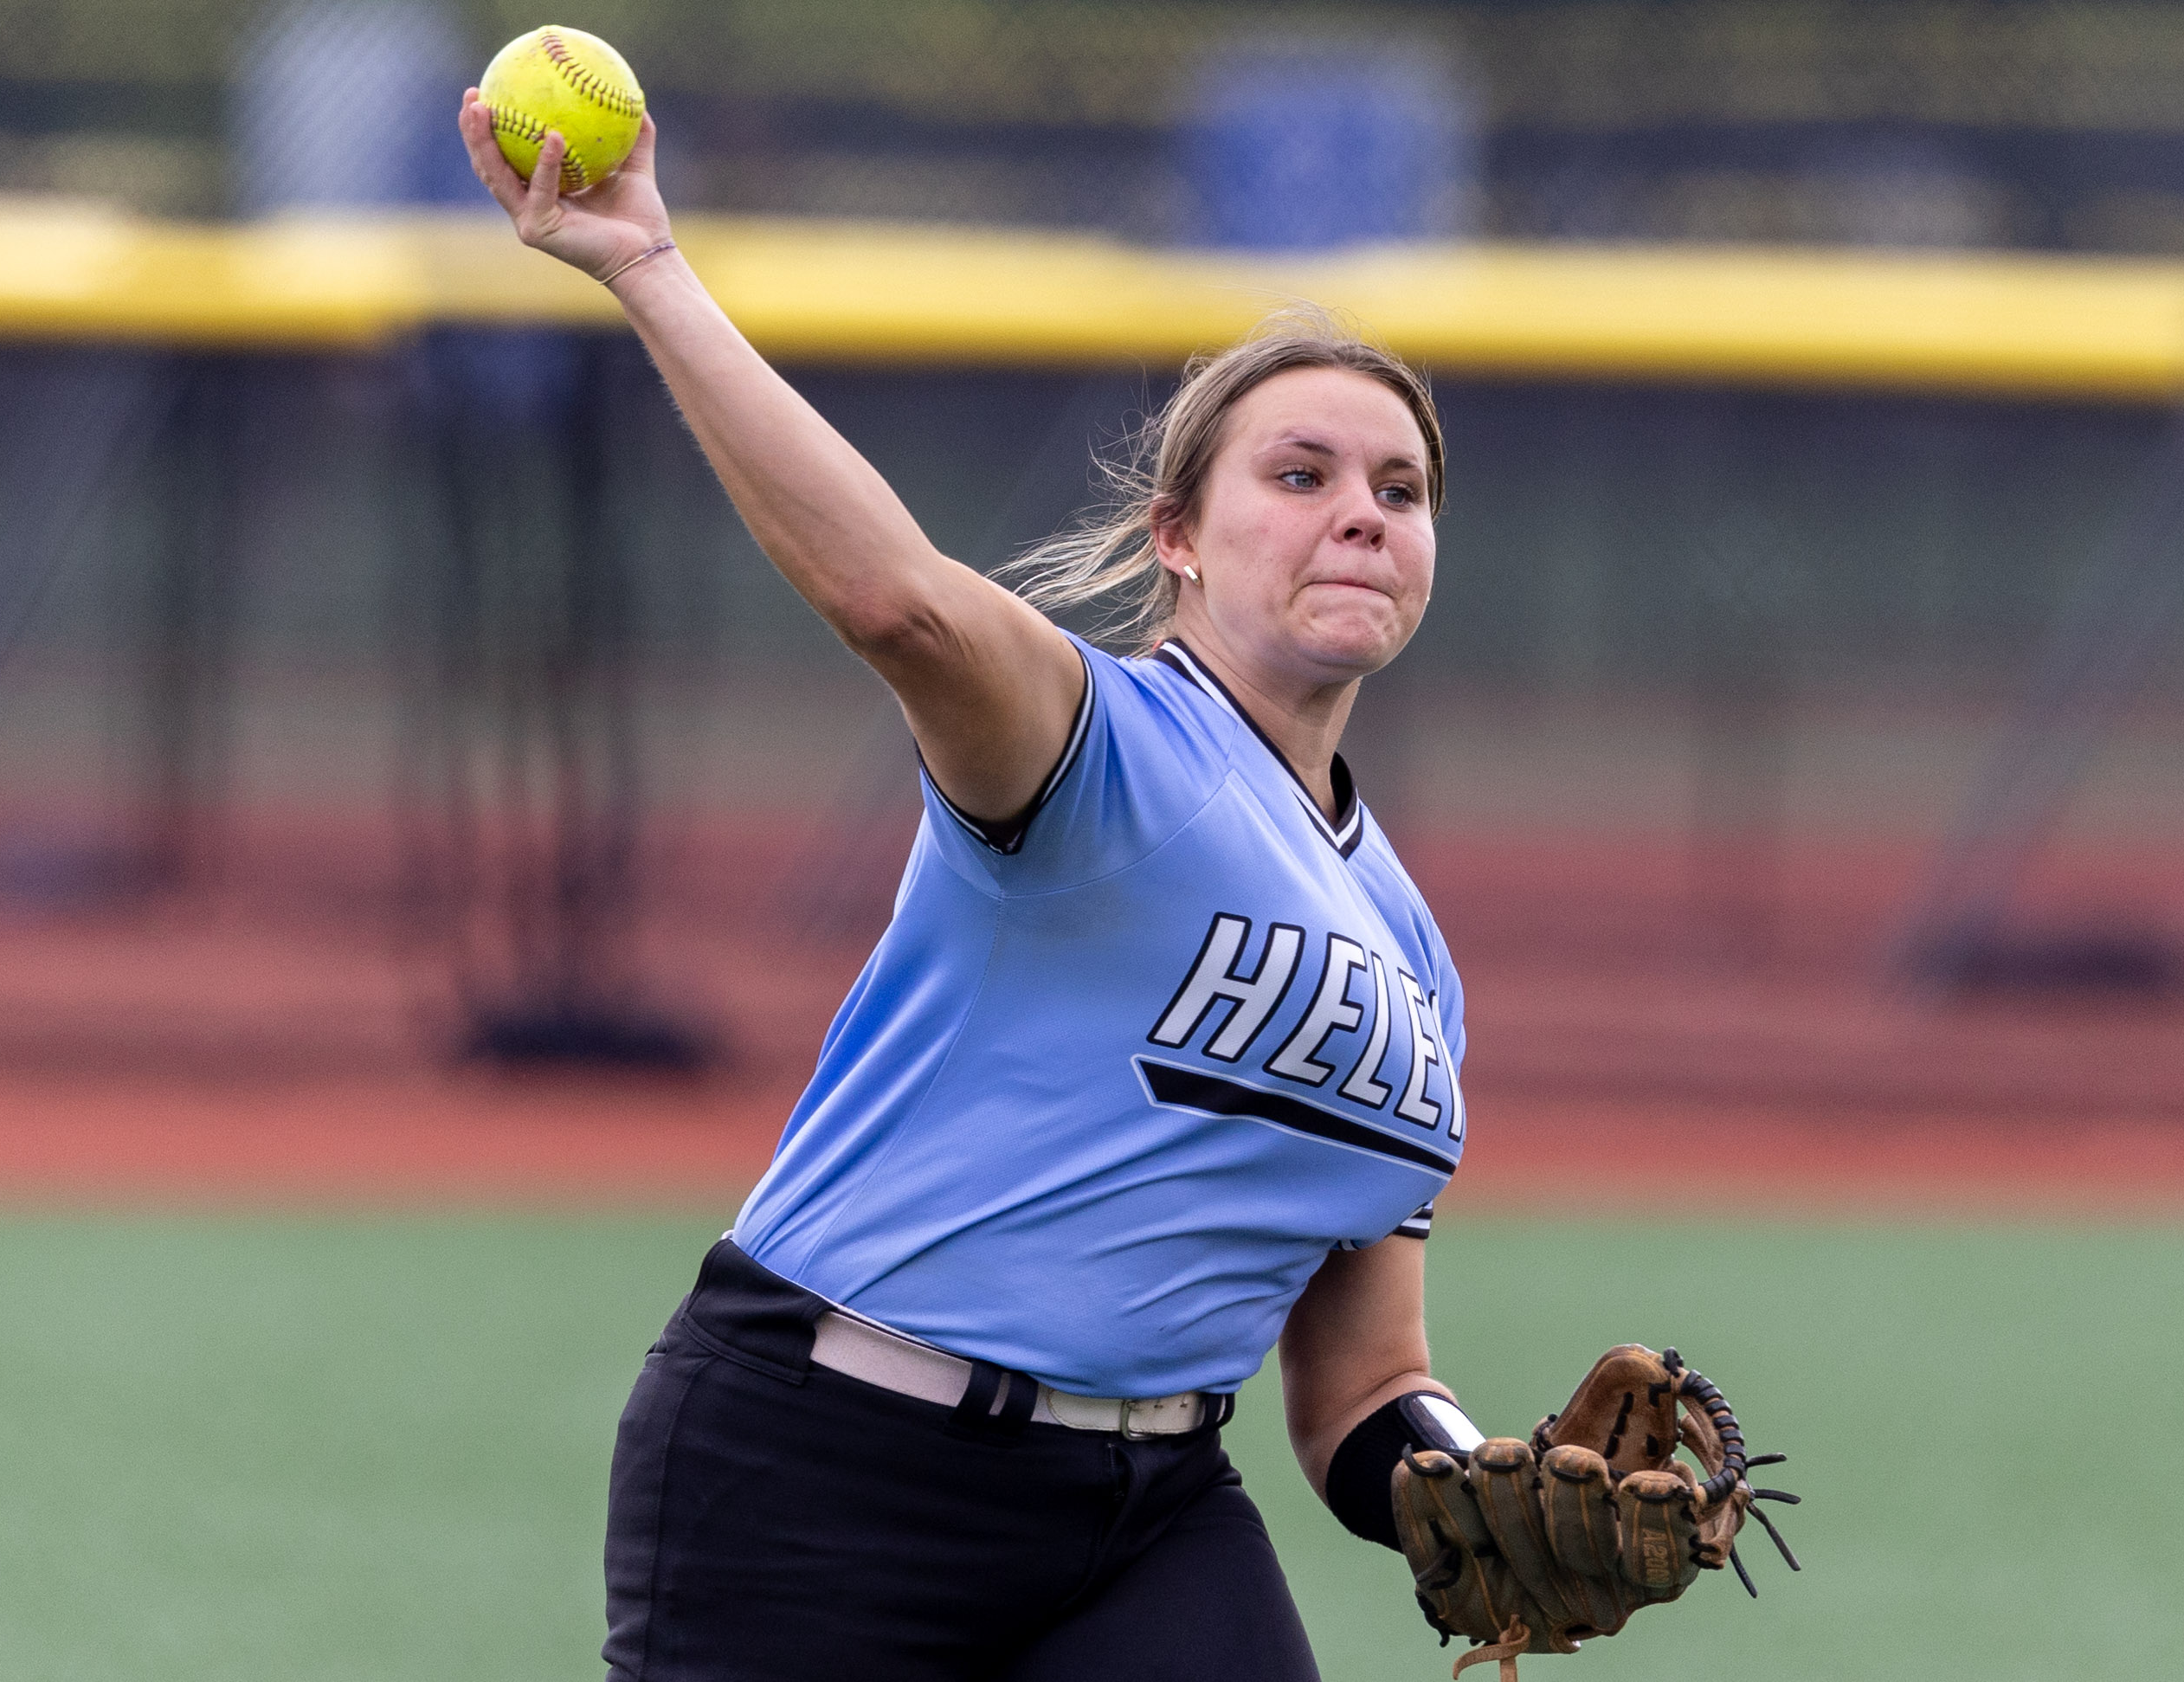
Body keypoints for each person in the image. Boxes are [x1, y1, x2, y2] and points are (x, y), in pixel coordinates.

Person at [460, 95, 1488, 1682]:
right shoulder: (1097, 742)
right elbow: (898, 605)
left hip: (1149, 1512)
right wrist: (649, 265)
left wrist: (1466, 1483)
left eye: (1399, 489)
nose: (1362, 509)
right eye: (1299, 472)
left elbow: (1361, 1384)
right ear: (1179, 542)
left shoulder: (1415, 961)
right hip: (827, 1469)